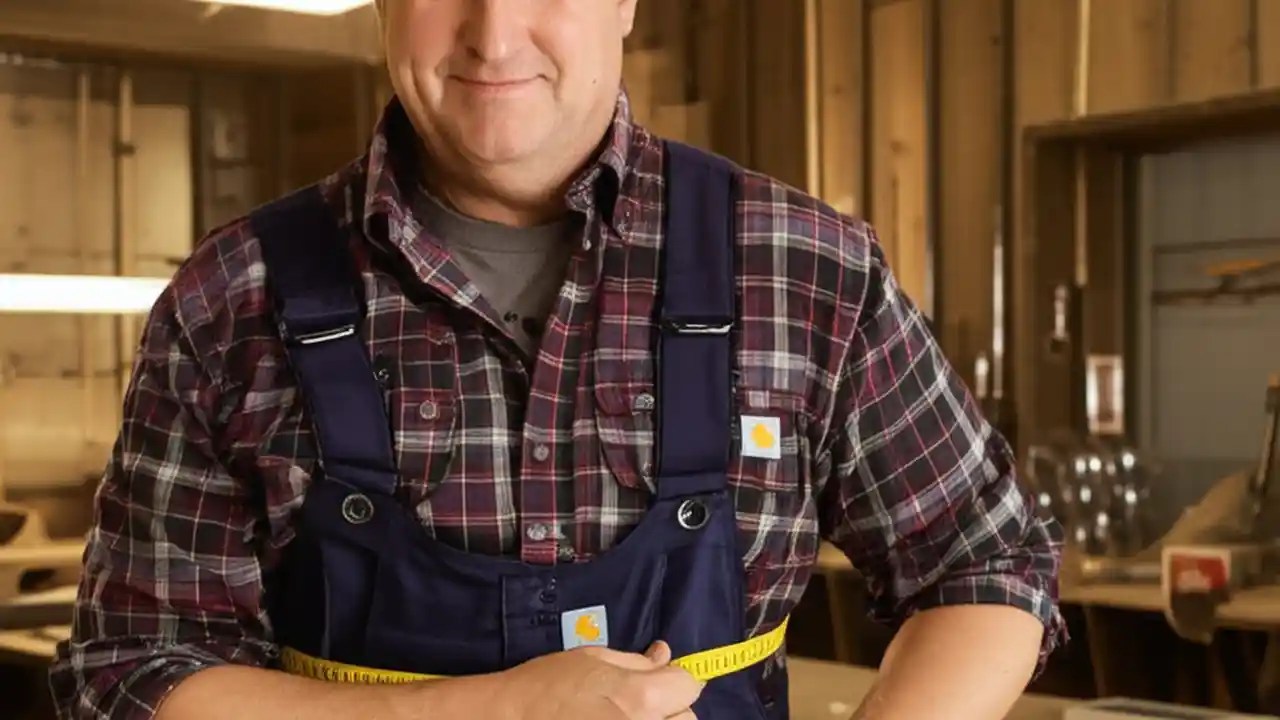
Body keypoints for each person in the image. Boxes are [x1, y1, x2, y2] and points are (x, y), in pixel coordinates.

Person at [48, 0, 1066, 718]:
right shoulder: (234, 298)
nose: (494, 33)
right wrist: (477, 715)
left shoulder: (801, 267)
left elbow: (983, 566)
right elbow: (133, 671)